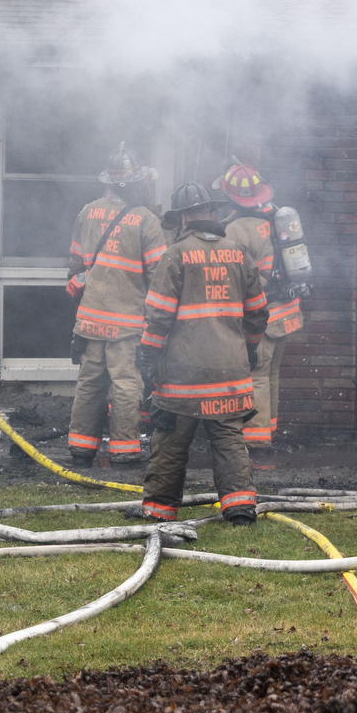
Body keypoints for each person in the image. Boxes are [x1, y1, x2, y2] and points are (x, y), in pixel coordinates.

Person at [136, 182, 270, 524]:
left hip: (183, 377)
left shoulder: (176, 255)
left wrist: (148, 356)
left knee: (170, 441)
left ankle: (159, 510)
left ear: (182, 219)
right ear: (212, 212)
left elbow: (158, 316)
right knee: (228, 440)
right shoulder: (239, 254)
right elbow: (258, 313)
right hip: (229, 374)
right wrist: (250, 348)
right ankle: (240, 508)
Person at [66, 145, 167, 466]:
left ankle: (81, 449)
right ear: (138, 182)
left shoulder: (87, 212)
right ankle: (124, 450)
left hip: (89, 321)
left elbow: (75, 265)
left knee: (89, 383)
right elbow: (160, 277)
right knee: (126, 384)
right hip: (127, 324)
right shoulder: (147, 220)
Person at [214, 160, 302, 450]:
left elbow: (233, 279)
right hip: (286, 313)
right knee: (271, 374)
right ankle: (269, 430)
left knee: (257, 376)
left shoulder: (236, 229)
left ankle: (256, 441)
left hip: (262, 317)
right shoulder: (275, 218)